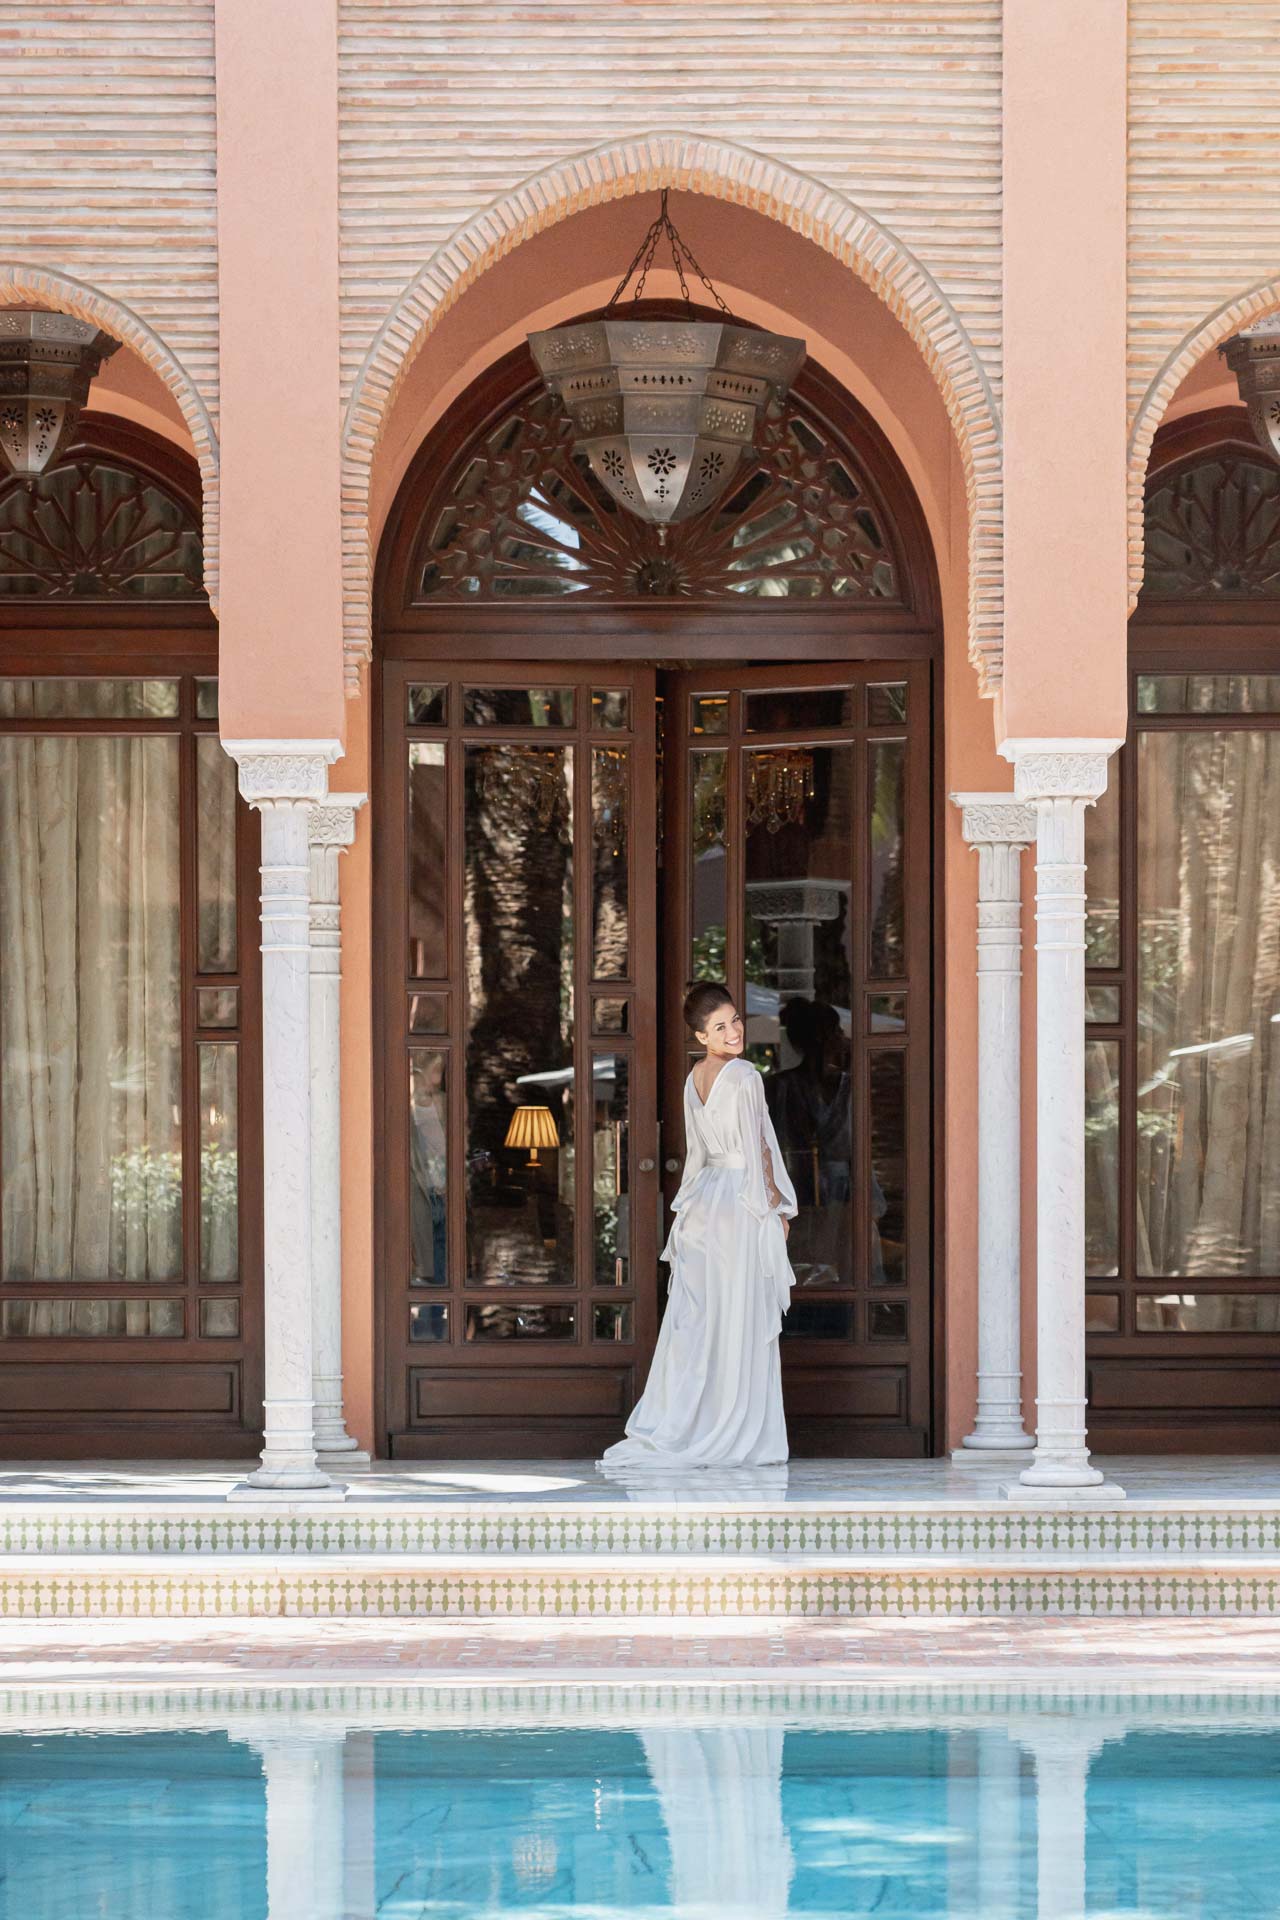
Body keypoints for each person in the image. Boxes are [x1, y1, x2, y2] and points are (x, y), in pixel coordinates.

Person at [600, 982, 798, 1470]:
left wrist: (685, 1210)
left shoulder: (694, 1079)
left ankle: (694, 1425)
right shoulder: (746, 1074)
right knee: (739, 1320)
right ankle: (736, 1433)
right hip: (741, 1203)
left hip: (706, 1205)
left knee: (706, 1323)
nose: (732, 1032)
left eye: (734, 1021)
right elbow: (759, 1149)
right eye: (719, 1027)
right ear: (700, 1034)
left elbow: (697, 1156)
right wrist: (775, 1207)